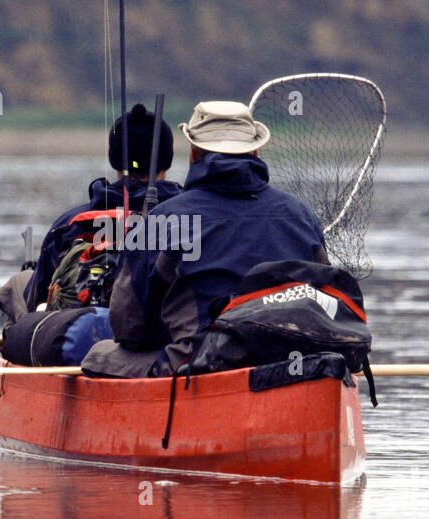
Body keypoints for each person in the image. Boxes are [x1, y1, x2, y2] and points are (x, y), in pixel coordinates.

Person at [82, 100, 329, 377]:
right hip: (293, 364)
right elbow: (326, 302)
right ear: (257, 152)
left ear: (193, 155)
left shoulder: (162, 219)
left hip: (197, 364)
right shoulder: (302, 215)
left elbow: (129, 329)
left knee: (98, 356)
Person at [21, 102, 181, 311]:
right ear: (167, 162)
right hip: (167, 335)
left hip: (75, 332)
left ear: (114, 161)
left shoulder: (68, 224)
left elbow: (36, 299)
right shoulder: (191, 220)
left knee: (19, 284)